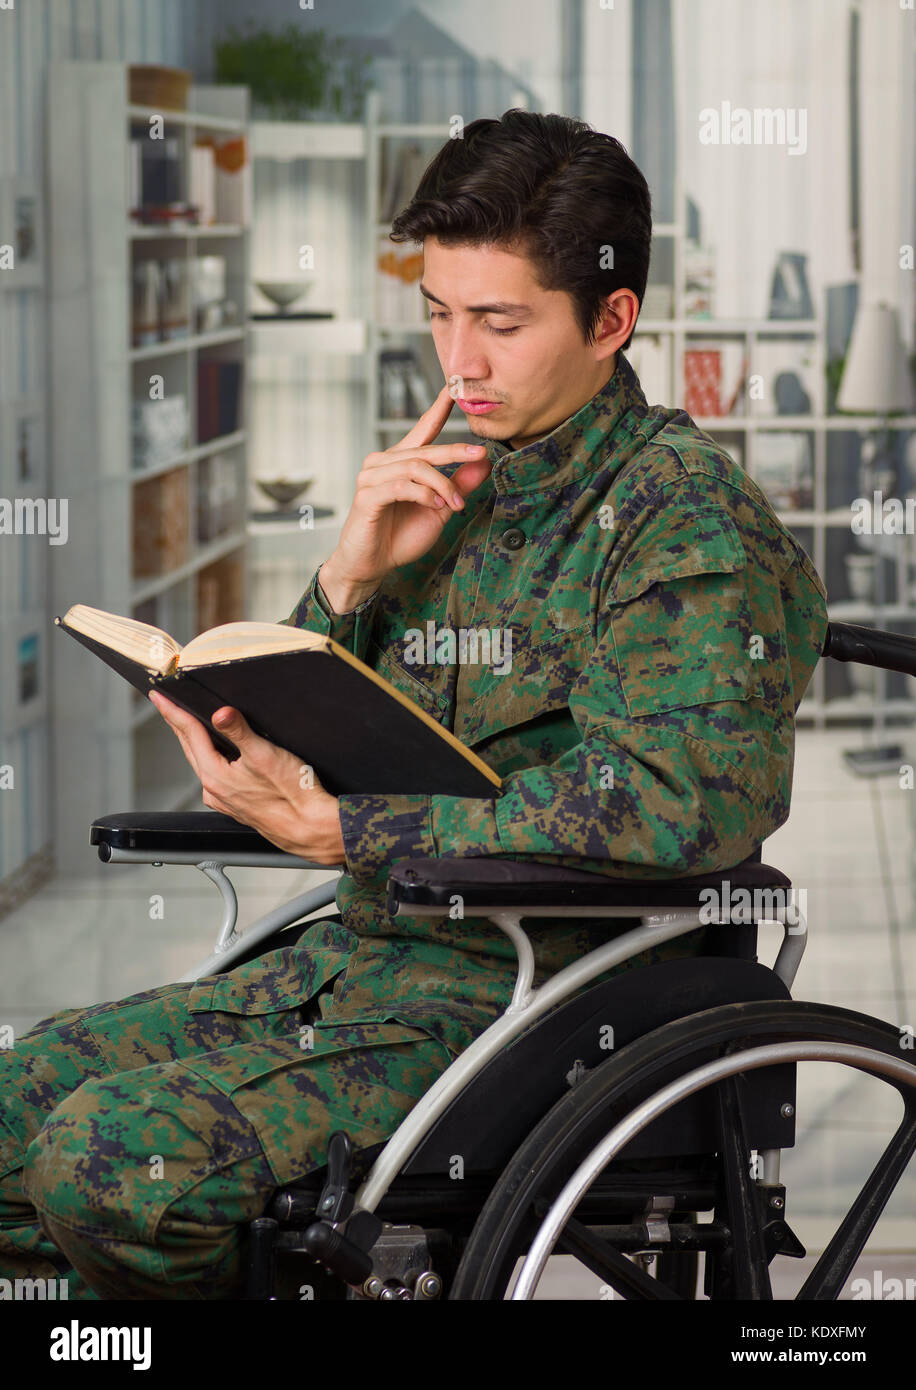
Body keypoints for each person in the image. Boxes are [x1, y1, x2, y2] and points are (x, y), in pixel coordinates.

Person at [0, 110, 827, 1299]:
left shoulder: (681, 519)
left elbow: (681, 801)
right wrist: (348, 576)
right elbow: (322, 722)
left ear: (611, 319)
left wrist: (358, 834)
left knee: (108, 1165)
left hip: (535, 997)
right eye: (439, 315)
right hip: (357, 967)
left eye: (499, 323)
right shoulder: (452, 494)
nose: (460, 364)